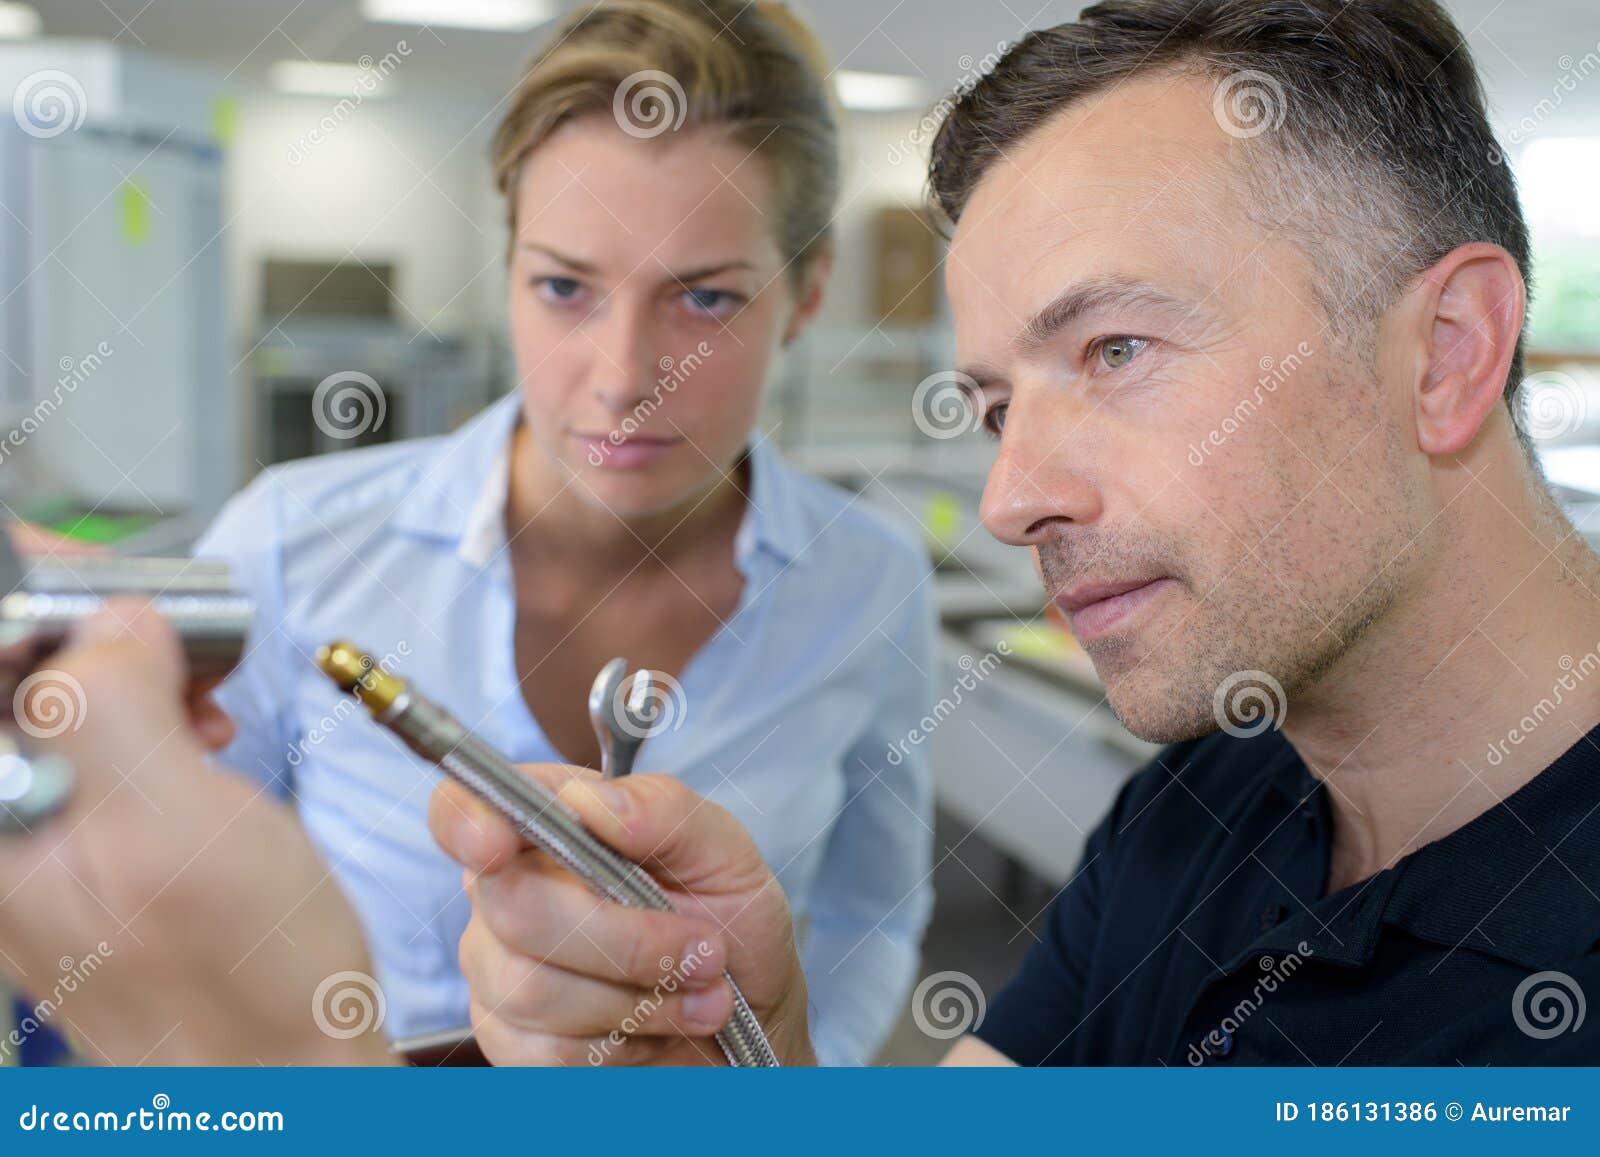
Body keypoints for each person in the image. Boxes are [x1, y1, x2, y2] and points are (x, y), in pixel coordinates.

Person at [428, 0, 1600, 1065]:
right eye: (996, 408)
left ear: (1444, 351)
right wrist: (742, 1056)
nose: (1007, 497)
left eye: (1115, 351)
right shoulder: (1194, 810)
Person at [194, 0, 934, 1065]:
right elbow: (185, 915)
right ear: (506, 276)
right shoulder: (289, 545)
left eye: (707, 298)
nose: (626, 376)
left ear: (807, 292)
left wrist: (793, 1086)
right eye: (563, 286)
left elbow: (872, 908)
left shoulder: (868, 582)